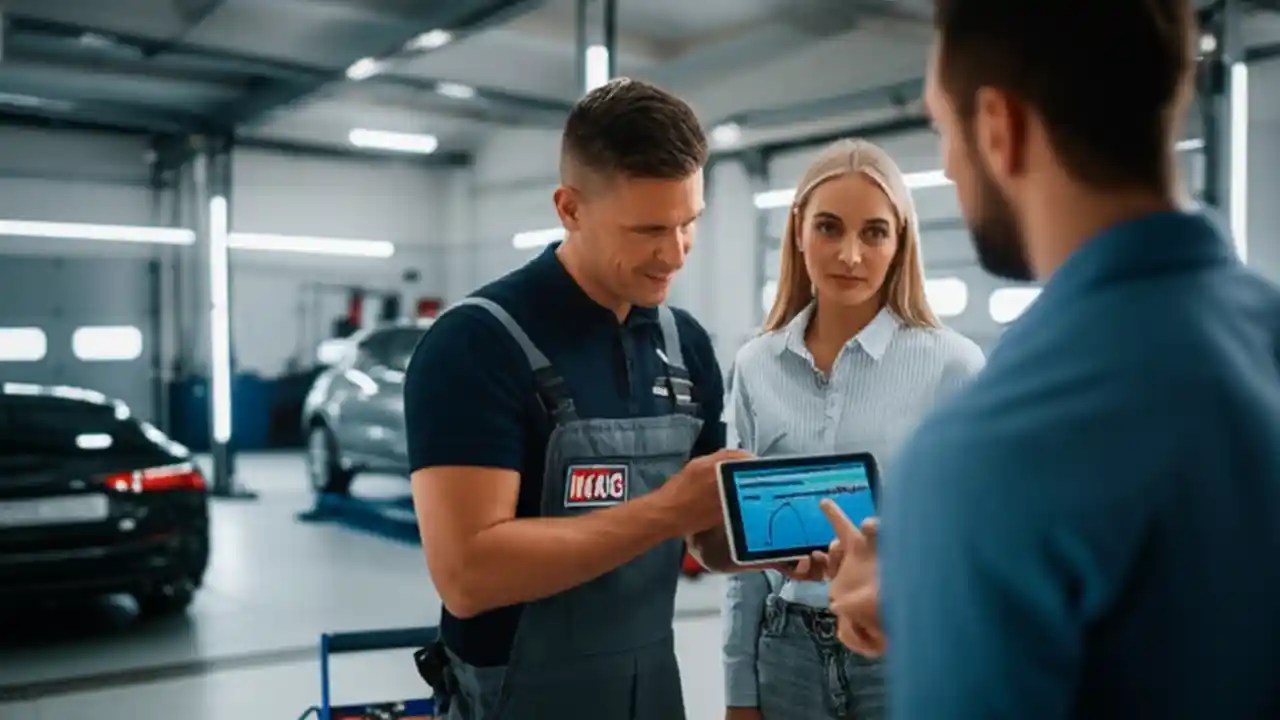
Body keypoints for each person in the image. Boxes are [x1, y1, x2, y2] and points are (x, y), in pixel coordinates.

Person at [822, 1, 1280, 718]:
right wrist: (950, 599)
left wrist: (960, 559)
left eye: (944, 127)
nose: (947, 158)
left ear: (1000, 129)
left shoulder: (984, 456)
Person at [403, 77, 748, 720]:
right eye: (648, 229)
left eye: (688, 222)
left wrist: (784, 540)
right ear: (570, 208)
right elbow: (467, 574)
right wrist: (667, 509)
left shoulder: (685, 346)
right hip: (517, 700)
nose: (674, 254)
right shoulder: (477, 344)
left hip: (652, 695)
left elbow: (707, 540)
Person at [720, 139, 984, 720]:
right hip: (784, 652)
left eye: (874, 233)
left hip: (906, 642)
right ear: (798, 231)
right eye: (829, 228)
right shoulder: (755, 366)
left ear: (900, 241)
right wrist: (740, 690)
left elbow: (981, 536)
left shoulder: (953, 364)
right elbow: (744, 564)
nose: (850, 254)